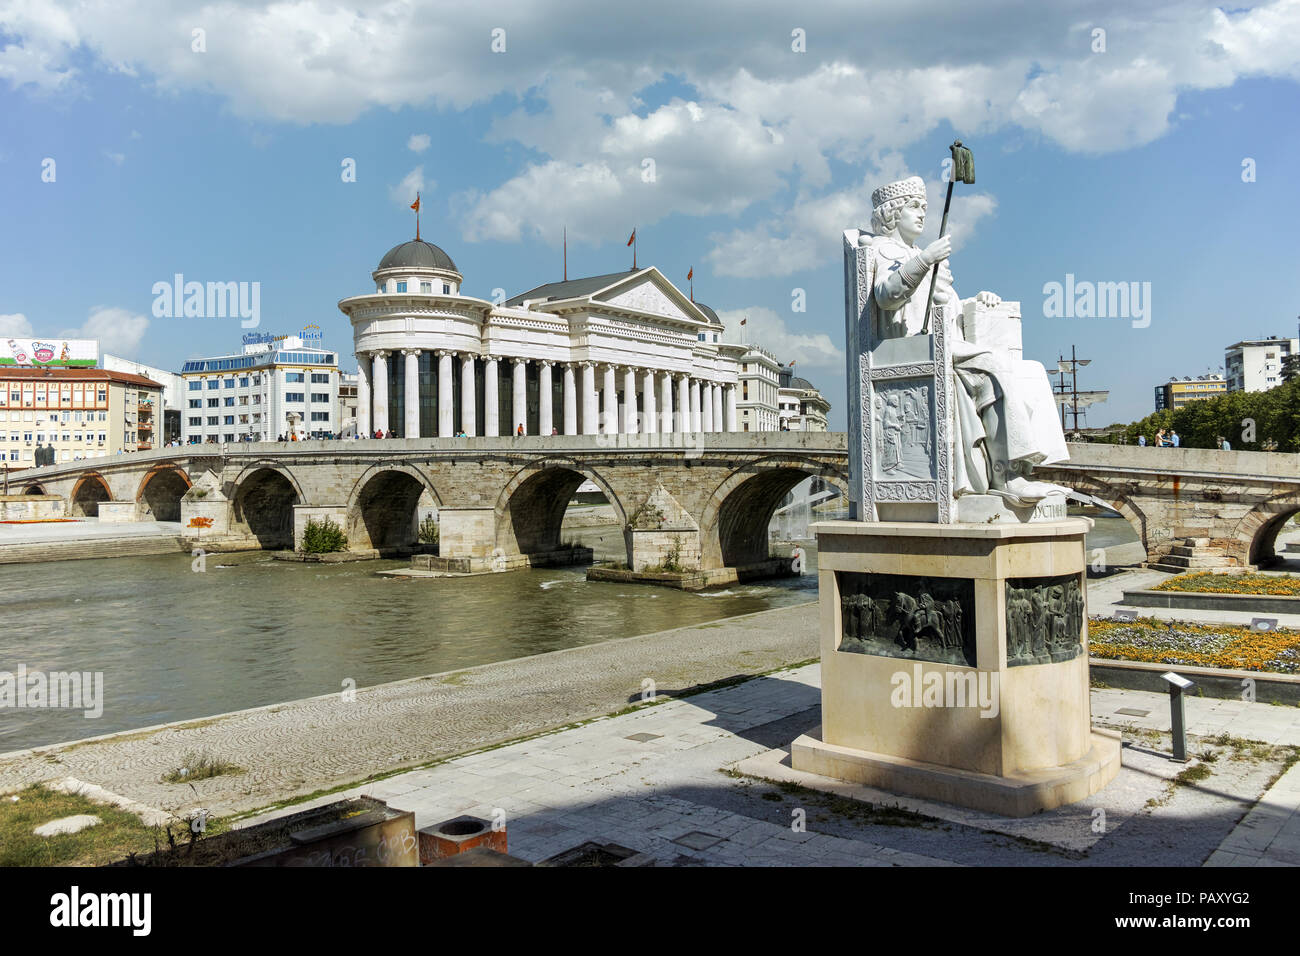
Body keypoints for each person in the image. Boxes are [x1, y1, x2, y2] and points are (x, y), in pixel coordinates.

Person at [857, 176, 1067, 504]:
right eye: (914, 206)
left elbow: (946, 305)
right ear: (893, 213)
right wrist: (926, 260)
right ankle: (1005, 475)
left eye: (925, 207)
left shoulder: (919, 253)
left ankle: (1026, 467)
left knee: (1032, 370)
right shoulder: (887, 250)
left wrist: (976, 302)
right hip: (914, 347)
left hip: (950, 342)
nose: (922, 214)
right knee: (993, 365)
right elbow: (885, 296)